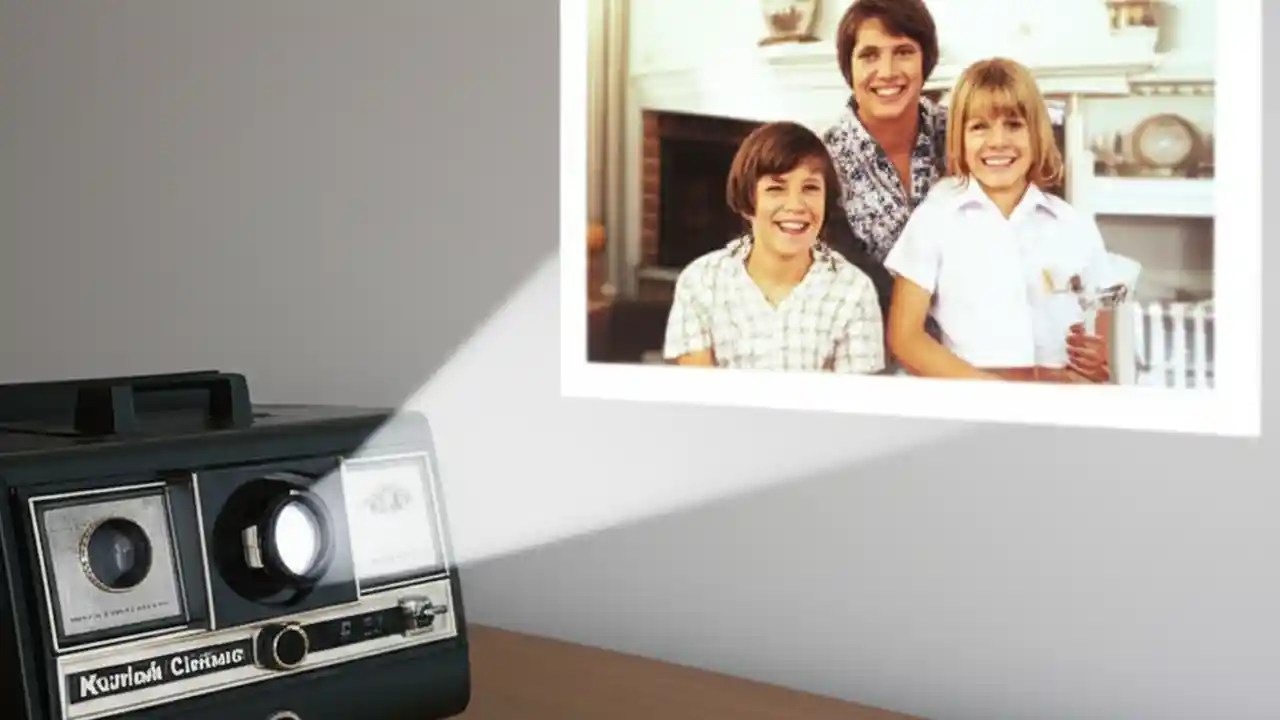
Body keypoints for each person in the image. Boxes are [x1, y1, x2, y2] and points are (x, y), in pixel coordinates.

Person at [882, 57, 1114, 383]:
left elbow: (1103, 343)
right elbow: (905, 338)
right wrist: (992, 391)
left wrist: (1097, 362)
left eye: (1014, 125)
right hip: (973, 398)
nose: (998, 141)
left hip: (1061, 400)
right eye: (979, 127)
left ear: (1037, 134)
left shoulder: (1073, 225)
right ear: (959, 138)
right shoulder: (935, 219)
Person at [662, 121, 884, 374]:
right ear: (748, 202)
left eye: (810, 188)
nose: (796, 205)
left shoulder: (854, 290)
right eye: (776, 189)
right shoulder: (701, 281)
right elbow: (697, 400)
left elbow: (853, 406)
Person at [821, 0, 947, 326]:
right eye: (869, 55)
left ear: (926, 60)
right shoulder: (821, 162)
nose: (888, 72)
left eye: (903, 51)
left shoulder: (964, 137)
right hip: (871, 342)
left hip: (971, 337)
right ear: (849, 68)